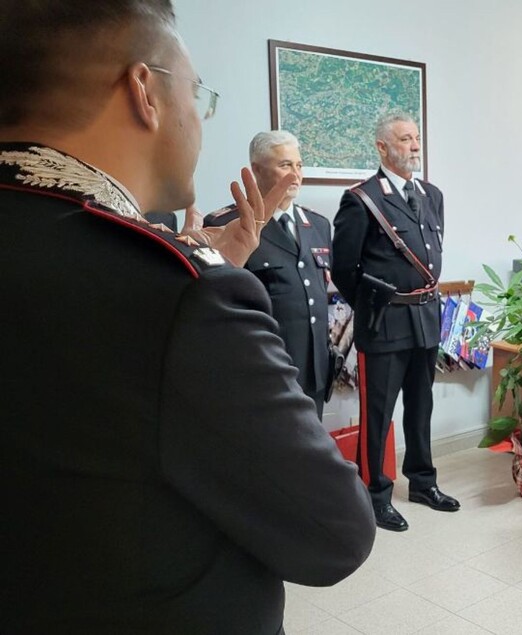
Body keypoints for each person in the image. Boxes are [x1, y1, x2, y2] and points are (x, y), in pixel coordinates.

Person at [0, 2, 376, 632]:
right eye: (198, 94)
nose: (200, 118)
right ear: (144, 91)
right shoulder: (181, 294)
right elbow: (335, 532)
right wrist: (206, 280)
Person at [332, 111, 459, 532]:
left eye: (416, 138)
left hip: (425, 318)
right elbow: (343, 270)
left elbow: (430, 253)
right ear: (382, 147)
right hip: (385, 322)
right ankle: (376, 495)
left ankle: (423, 482)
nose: (415, 146)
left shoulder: (431, 195)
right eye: (405, 139)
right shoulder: (362, 199)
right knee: (379, 413)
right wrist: (374, 307)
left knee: (421, 406)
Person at [205, 131, 335, 417]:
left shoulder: (318, 225)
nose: (295, 175)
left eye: (299, 165)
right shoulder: (229, 225)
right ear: (257, 169)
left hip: (313, 368)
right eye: (285, 165)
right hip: (262, 369)